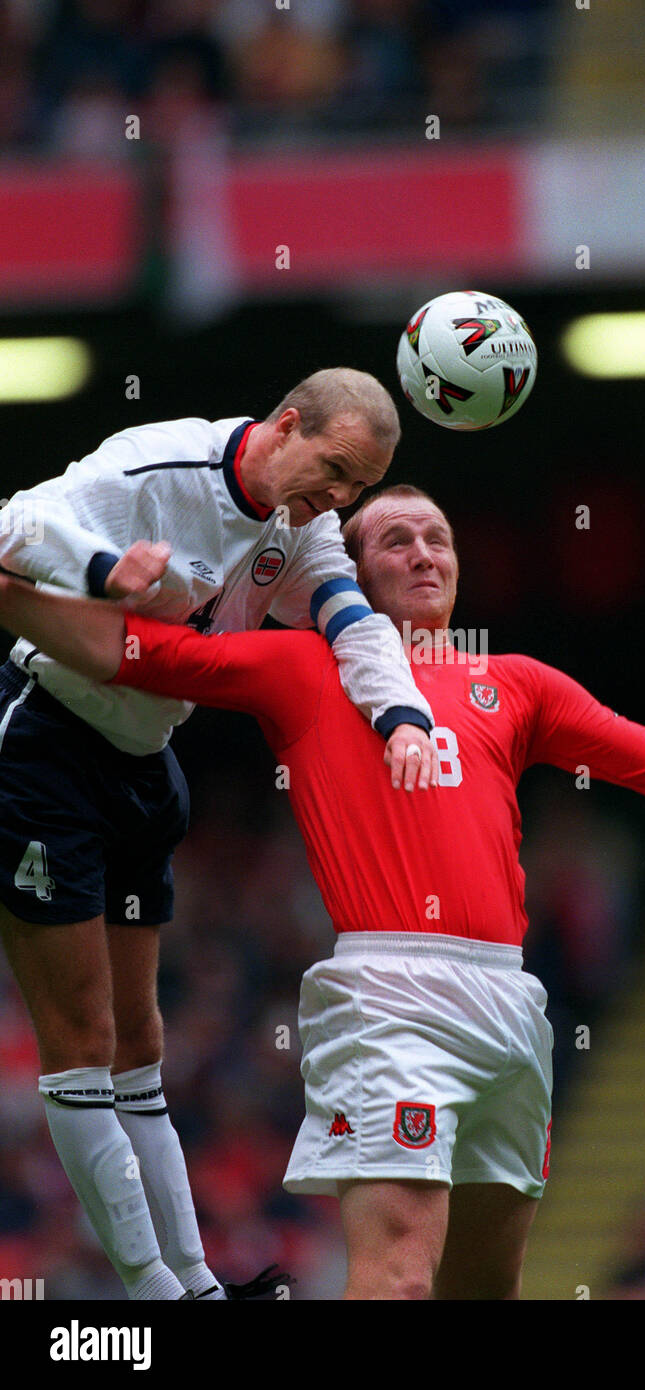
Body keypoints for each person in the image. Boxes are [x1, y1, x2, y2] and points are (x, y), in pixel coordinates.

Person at [1, 484, 645, 1300]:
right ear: (347, 569)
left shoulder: (517, 684)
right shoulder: (305, 669)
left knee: (481, 1288)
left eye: (436, 538)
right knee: (400, 1278)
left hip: (509, 1003)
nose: (422, 553)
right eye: (394, 539)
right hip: (387, 997)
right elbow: (135, 652)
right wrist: (10, 591)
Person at [0, 373, 438, 1302]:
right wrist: (100, 574)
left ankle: (196, 1285)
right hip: (45, 744)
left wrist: (399, 711)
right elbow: (14, 524)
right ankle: (153, 1295)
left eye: (359, 487)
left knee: (141, 1045)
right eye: (333, 471)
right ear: (285, 427)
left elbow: (349, 622)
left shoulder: (306, 526)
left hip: (144, 760)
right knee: (82, 1036)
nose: (340, 502)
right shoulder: (160, 467)